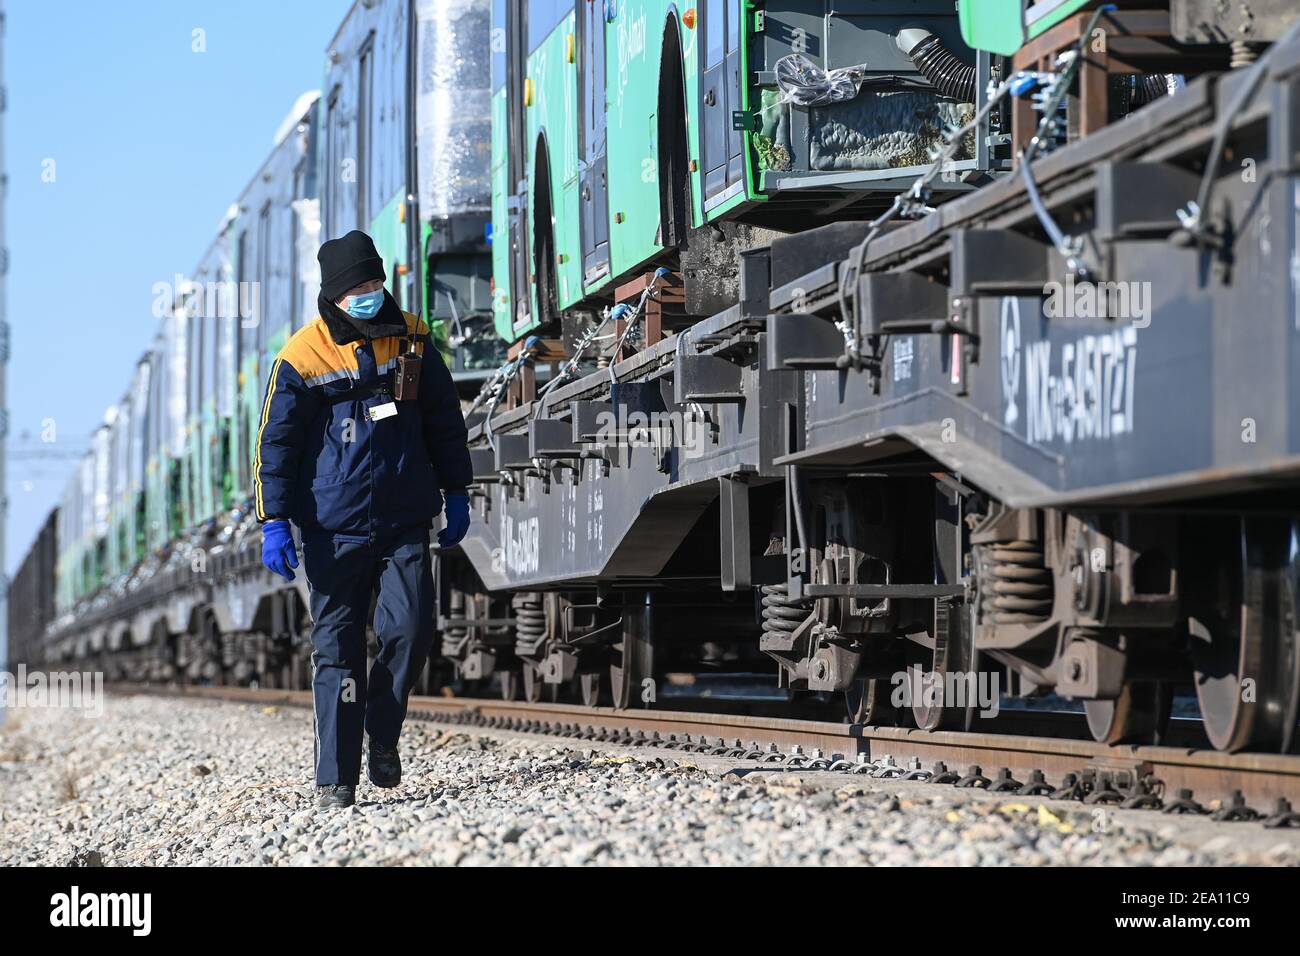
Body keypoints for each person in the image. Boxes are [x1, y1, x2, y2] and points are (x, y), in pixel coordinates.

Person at [255, 229, 472, 809]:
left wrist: (457, 491)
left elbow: (443, 419)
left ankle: (382, 735)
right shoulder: (302, 356)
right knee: (337, 651)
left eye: (376, 282)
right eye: (359, 287)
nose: (371, 294)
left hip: (405, 520)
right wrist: (273, 520)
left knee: (412, 629)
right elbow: (276, 445)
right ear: (334, 294)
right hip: (331, 528)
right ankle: (335, 779)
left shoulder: (415, 339)